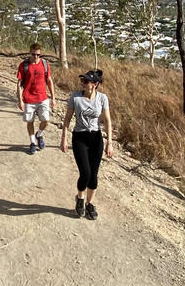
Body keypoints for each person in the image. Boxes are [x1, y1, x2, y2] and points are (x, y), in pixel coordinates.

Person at [60, 67, 113, 219]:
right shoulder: (75, 97)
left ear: (95, 84)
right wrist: (64, 139)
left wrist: (109, 142)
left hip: (96, 138)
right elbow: (67, 119)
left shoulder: (102, 98)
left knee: (94, 176)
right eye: (82, 80)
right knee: (85, 173)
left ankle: (90, 203)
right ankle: (80, 198)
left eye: (86, 81)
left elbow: (107, 121)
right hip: (79, 138)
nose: (82, 83)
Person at [16, 41, 56, 155]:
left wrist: (53, 97)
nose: (36, 57)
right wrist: (20, 100)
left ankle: (39, 134)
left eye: (38, 54)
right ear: (30, 53)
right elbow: (19, 83)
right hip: (28, 98)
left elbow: (49, 80)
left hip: (43, 97)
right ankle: (33, 142)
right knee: (30, 121)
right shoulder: (24, 65)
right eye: (33, 54)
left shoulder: (44, 63)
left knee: (46, 120)